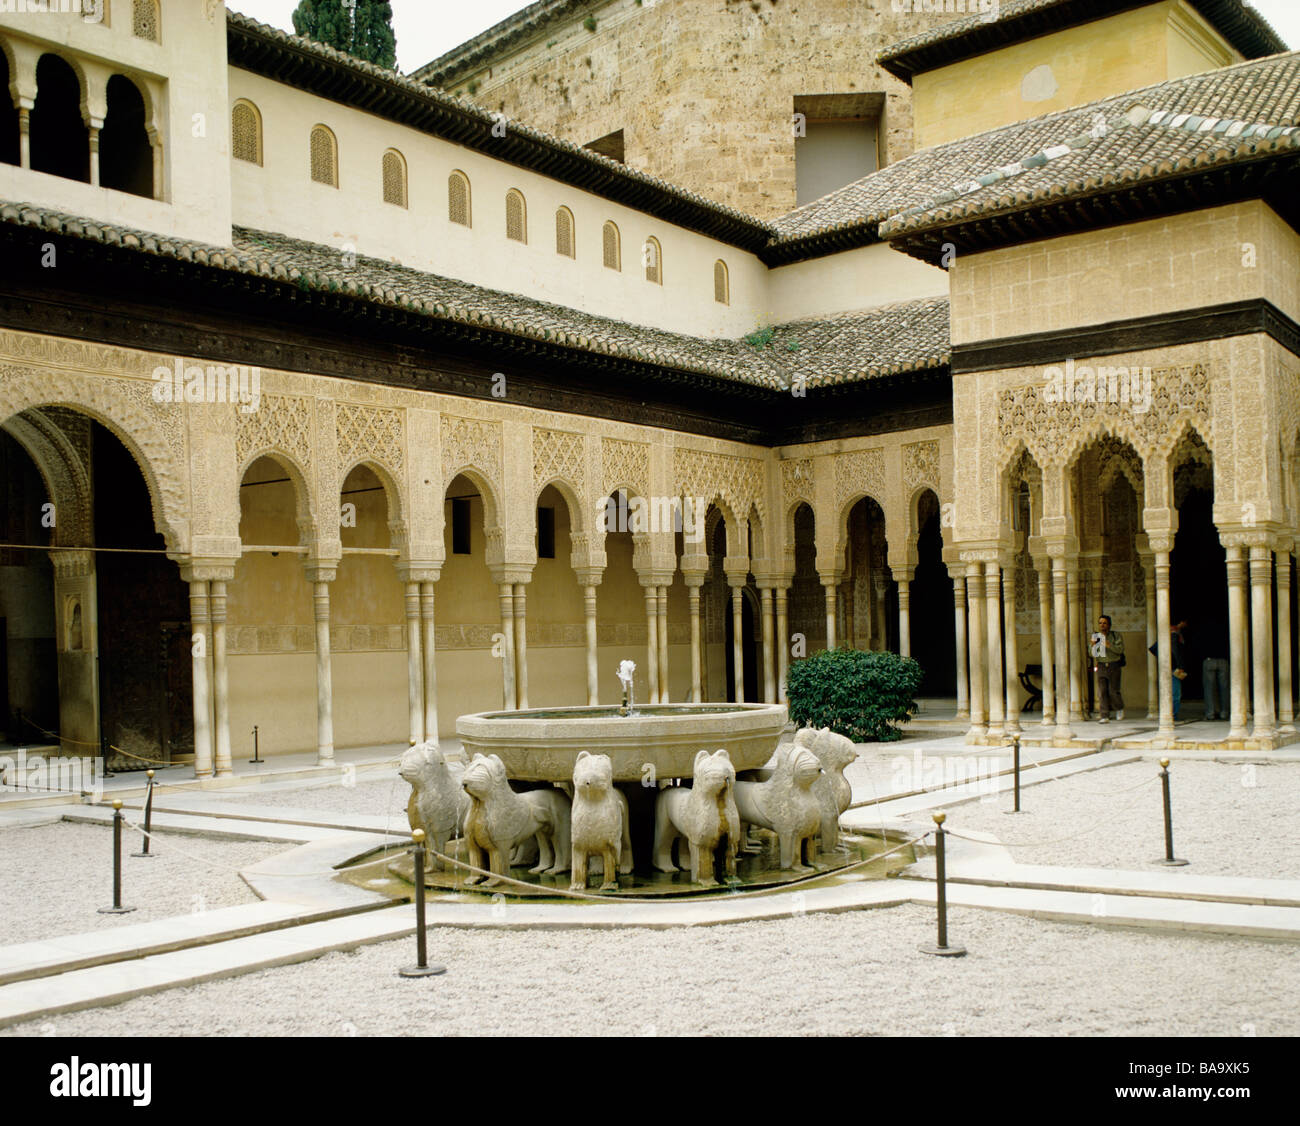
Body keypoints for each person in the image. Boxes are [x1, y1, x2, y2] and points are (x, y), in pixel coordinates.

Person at [1149, 620, 1189, 720]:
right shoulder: (1174, 635)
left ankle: (1169, 714)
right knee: (1175, 693)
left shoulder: (1168, 635)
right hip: (1173, 668)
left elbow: (1153, 649)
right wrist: (1178, 666)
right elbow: (1175, 652)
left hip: (1167, 667)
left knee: (1170, 692)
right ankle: (1172, 715)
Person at [1090, 614, 1125, 722]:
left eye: (1104, 623)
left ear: (1109, 625)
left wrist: (1108, 644)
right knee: (1102, 691)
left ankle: (1119, 708)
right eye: (1100, 623)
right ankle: (1104, 715)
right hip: (1101, 665)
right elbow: (1093, 655)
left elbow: (1119, 650)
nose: (1102, 625)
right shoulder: (1096, 636)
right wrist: (1093, 646)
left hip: (1113, 665)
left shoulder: (1115, 635)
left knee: (1113, 690)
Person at [1201, 613, 1229, 721]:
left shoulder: (1205, 629)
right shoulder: (1225, 628)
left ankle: (1210, 713)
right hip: (1223, 660)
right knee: (1224, 688)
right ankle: (1224, 712)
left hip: (1209, 659)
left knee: (1209, 688)